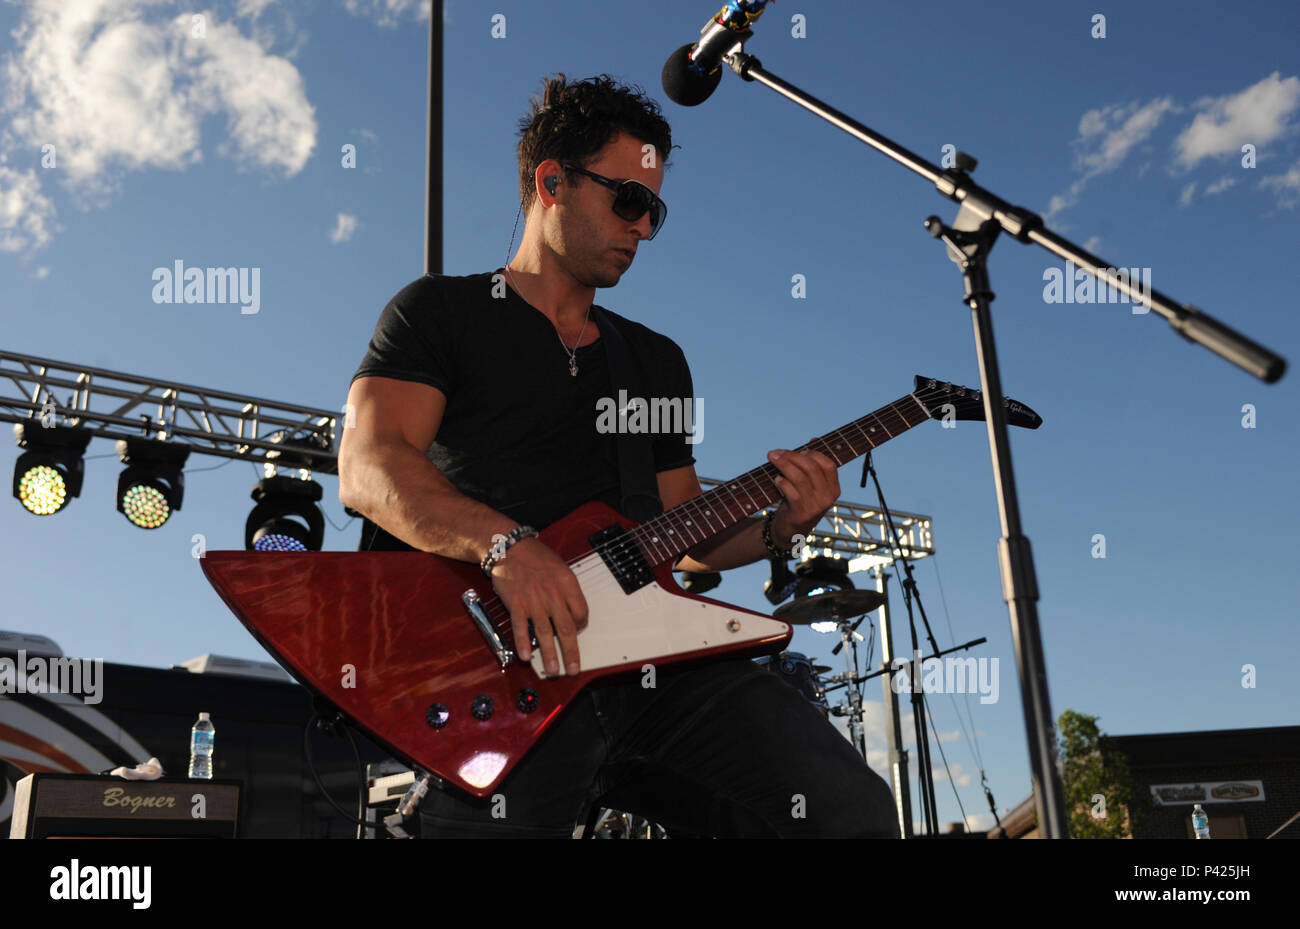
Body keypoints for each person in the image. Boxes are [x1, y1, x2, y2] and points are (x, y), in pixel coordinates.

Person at [338, 74, 899, 838]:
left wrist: (779, 527)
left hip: (660, 676)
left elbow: (688, 532)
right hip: (502, 674)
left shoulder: (655, 360)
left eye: (655, 210)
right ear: (552, 182)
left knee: (849, 813)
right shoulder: (439, 312)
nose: (642, 228)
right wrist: (504, 545)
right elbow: (370, 465)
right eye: (628, 200)